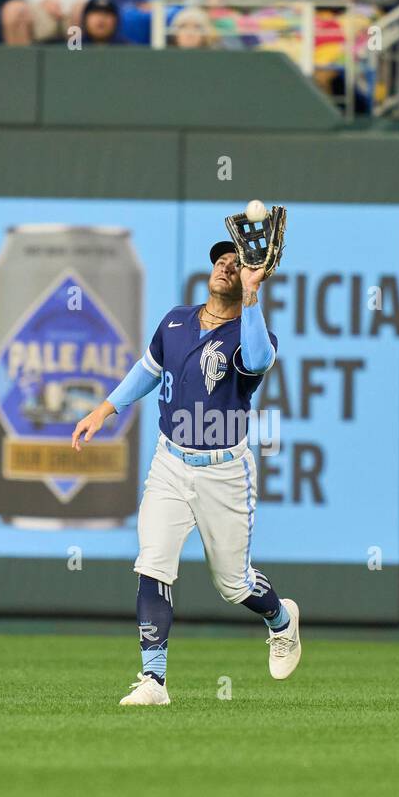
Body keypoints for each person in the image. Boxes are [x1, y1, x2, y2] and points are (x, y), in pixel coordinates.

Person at [71, 237, 302, 706]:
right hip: (170, 462)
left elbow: (257, 361)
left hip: (224, 472)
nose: (226, 267)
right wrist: (105, 409)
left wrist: (253, 298)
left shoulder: (252, 332)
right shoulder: (175, 320)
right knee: (153, 562)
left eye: (237, 265)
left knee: (233, 585)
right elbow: (147, 369)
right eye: (221, 260)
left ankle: (281, 619)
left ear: (249, 280)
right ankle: (154, 681)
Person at [0, 0, 84, 45]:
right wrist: (43, 1)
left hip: (75, 8)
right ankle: (20, 65)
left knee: (79, 10)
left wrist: (65, 6)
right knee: (13, 11)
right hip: (37, 7)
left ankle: (76, 61)